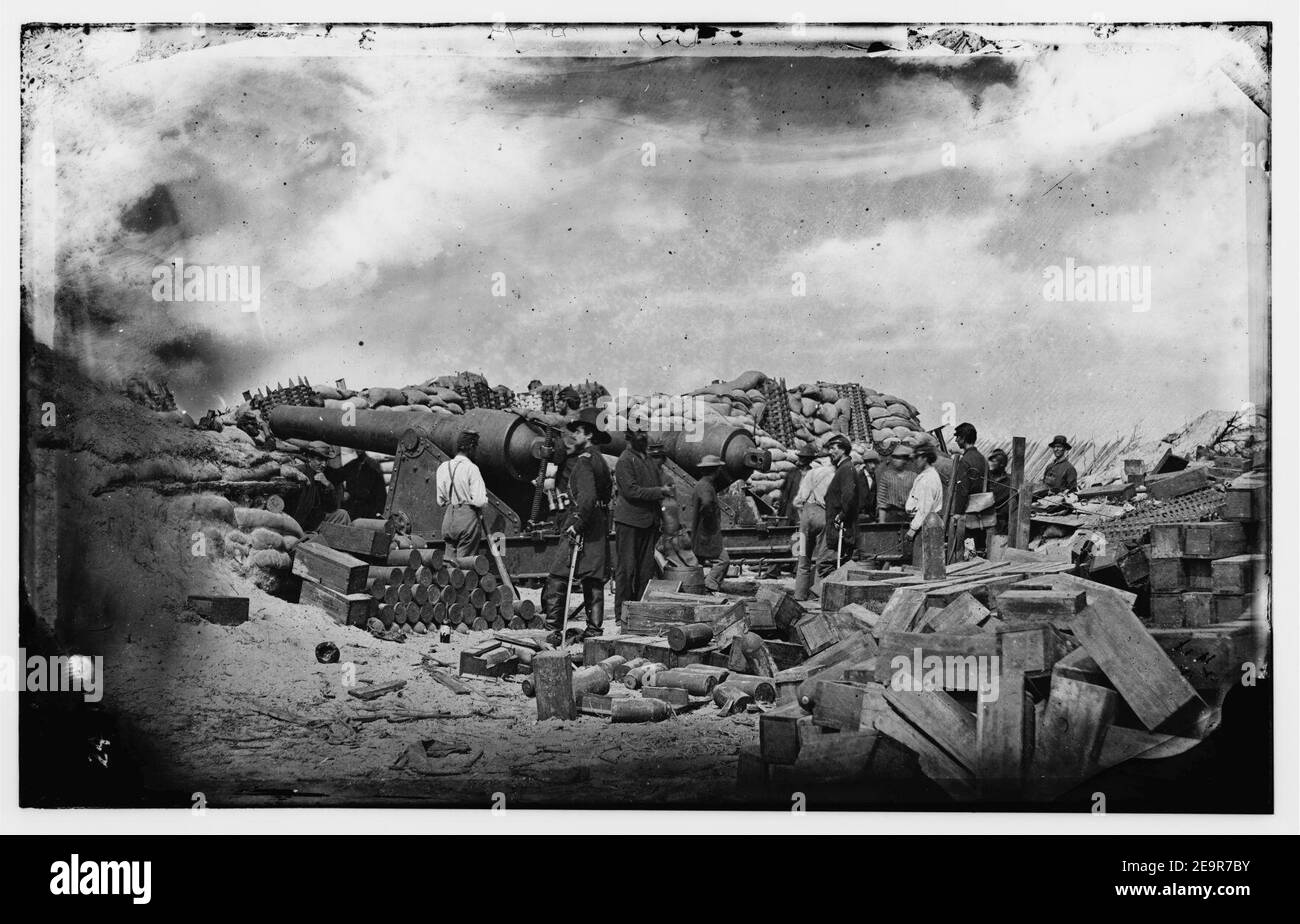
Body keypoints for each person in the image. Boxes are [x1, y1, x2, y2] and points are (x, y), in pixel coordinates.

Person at [541, 408, 613, 642]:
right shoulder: (599, 460)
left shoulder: (583, 462)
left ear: (589, 435)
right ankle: (594, 629)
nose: (574, 436)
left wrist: (576, 525)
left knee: (558, 575)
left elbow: (588, 498)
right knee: (593, 577)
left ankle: (553, 630)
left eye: (579, 432)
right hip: (598, 524)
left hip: (582, 524)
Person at [613, 426, 673, 624]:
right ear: (630, 438)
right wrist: (659, 491)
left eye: (644, 433)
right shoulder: (624, 460)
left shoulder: (646, 460)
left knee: (646, 570)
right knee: (627, 570)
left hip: (648, 522)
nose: (644, 437)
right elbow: (631, 491)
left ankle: (638, 611)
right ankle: (621, 614)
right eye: (639, 434)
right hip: (629, 522)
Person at [436, 430, 488, 560]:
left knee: (449, 566)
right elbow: (480, 500)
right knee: (465, 564)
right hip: (466, 519)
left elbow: (440, 500)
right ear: (470, 448)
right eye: (475, 448)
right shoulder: (471, 468)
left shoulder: (443, 467)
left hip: (449, 519)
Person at [684, 454, 731, 592]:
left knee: (697, 562)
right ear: (715, 470)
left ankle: (692, 586)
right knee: (723, 560)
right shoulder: (706, 486)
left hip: (701, 533)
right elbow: (706, 504)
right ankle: (710, 585)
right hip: (707, 534)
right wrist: (710, 524)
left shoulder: (702, 484)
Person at [791, 454, 834, 600]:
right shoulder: (832, 475)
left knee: (803, 558)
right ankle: (818, 594)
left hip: (806, 515)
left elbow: (798, 501)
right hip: (823, 515)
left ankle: (799, 594)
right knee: (822, 558)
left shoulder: (809, 474)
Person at [817, 435, 860, 577]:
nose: (830, 452)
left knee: (826, 563)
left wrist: (842, 515)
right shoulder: (844, 468)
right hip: (835, 525)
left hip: (839, 526)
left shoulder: (847, 469)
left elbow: (849, 495)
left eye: (833, 448)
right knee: (836, 562)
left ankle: (833, 595)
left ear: (843, 450)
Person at [904, 436, 945, 563]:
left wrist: (913, 529)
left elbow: (925, 509)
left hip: (924, 526)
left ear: (925, 458)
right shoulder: (926, 475)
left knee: (920, 563)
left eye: (917, 458)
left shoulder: (928, 479)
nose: (915, 461)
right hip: (924, 524)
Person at [326, 448, 388, 520]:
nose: (358, 450)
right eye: (357, 448)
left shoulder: (373, 465)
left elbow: (380, 494)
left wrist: (378, 513)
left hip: (367, 510)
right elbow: (337, 476)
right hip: (352, 508)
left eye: (361, 448)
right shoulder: (353, 464)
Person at [876, 443, 917, 523]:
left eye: (899, 458)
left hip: (909, 515)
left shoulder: (913, 477)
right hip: (891, 515)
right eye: (894, 457)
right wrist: (882, 522)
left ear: (905, 460)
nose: (895, 460)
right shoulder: (886, 476)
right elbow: (882, 501)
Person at [780, 446, 816, 525]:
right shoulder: (792, 473)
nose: (801, 460)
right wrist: (781, 511)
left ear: (810, 460)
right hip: (790, 509)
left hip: (806, 509)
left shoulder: (814, 474)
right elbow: (784, 494)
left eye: (805, 458)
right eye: (801, 457)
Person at [987, 448, 1011, 536]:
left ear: (1002, 464)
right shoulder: (986, 478)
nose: (990, 464)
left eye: (994, 461)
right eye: (990, 461)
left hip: (1002, 521)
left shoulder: (1009, 481)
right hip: (986, 519)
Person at [856, 446, 879, 524]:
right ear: (865, 463)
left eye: (875, 463)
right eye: (870, 463)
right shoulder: (858, 477)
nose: (873, 466)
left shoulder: (875, 477)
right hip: (858, 516)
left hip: (870, 516)